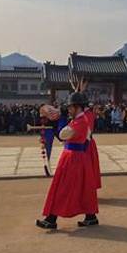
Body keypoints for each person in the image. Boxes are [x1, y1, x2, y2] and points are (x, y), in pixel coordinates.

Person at [36, 92, 99, 229]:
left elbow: (62, 134)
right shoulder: (79, 120)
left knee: (61, 188)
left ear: (78, 107)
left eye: (70, 107)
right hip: (75, 157)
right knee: (83, 188)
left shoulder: (80, 122)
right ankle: (90, 216)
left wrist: (60, 119)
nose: (68, 110)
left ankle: (51, 219)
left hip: (73, 159)